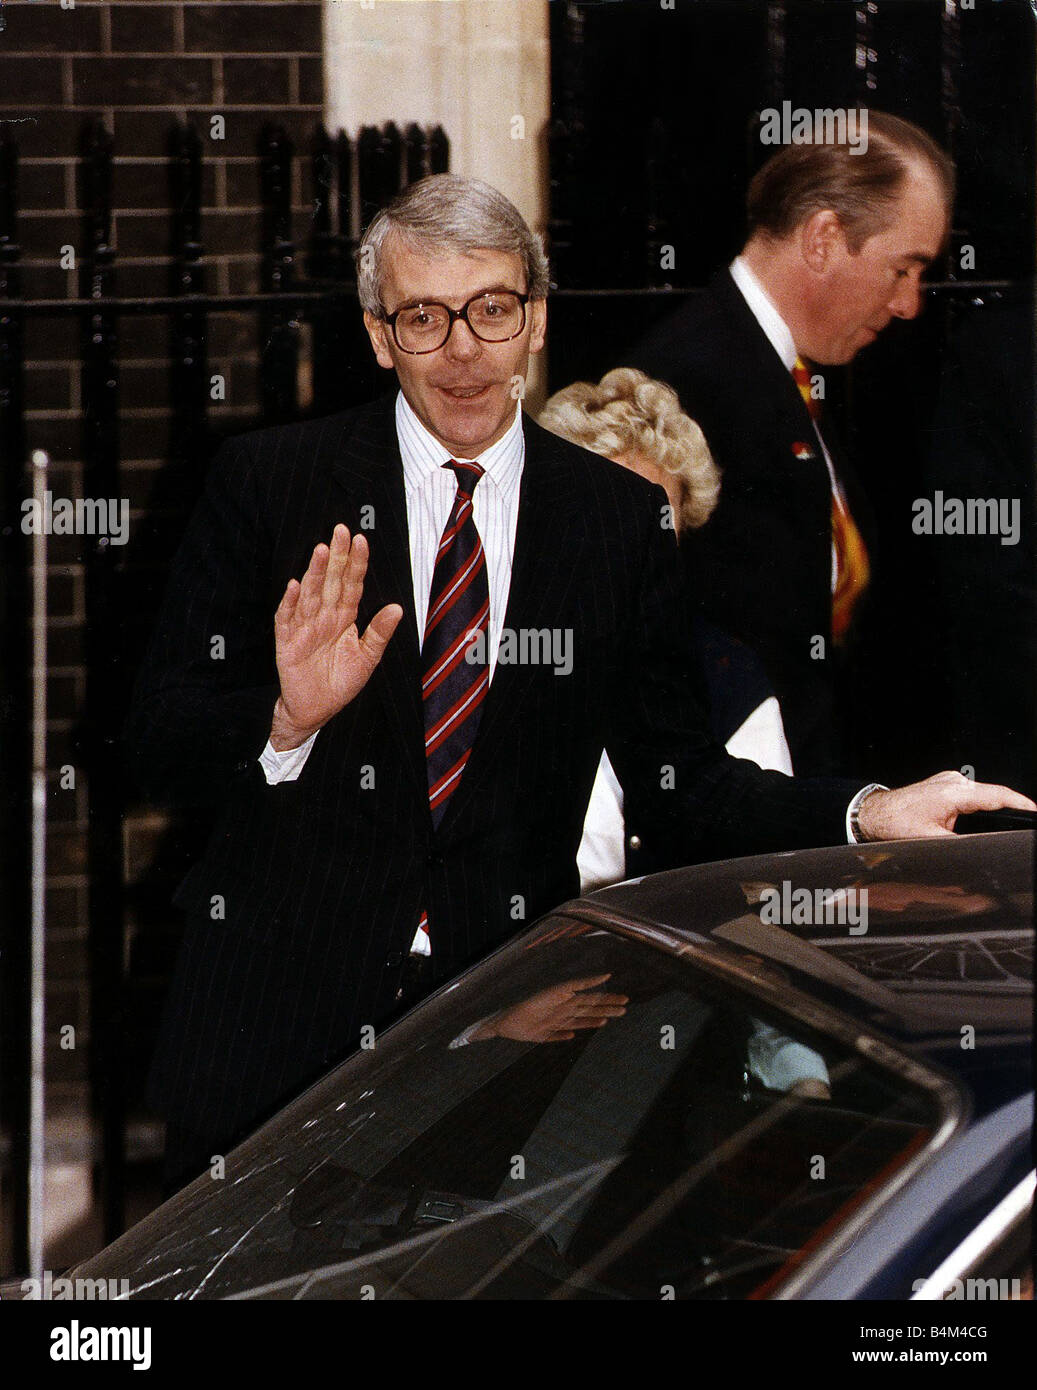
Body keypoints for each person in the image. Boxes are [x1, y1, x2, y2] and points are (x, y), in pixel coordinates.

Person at [125, 174, 1031, 1191]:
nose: (463, 349)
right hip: (270, 1045)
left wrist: (867, 810)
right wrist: (287, 718)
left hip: (496, 1036)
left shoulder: (611, 519)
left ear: (536, 318)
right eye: (423, 317)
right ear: (380, 336)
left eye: (493, 309)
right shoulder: (271, 485)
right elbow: (155, 744)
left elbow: (684, 790)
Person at [627, 111, 955, 776]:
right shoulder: (684, 385)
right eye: (903, 269)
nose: (909, 303)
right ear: (823, 238)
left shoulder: (787, 371)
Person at [538, 366, 793, 890]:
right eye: (603, 513)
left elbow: (765, 873)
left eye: (654, 519)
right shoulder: (487, 653)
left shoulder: (728, 678)